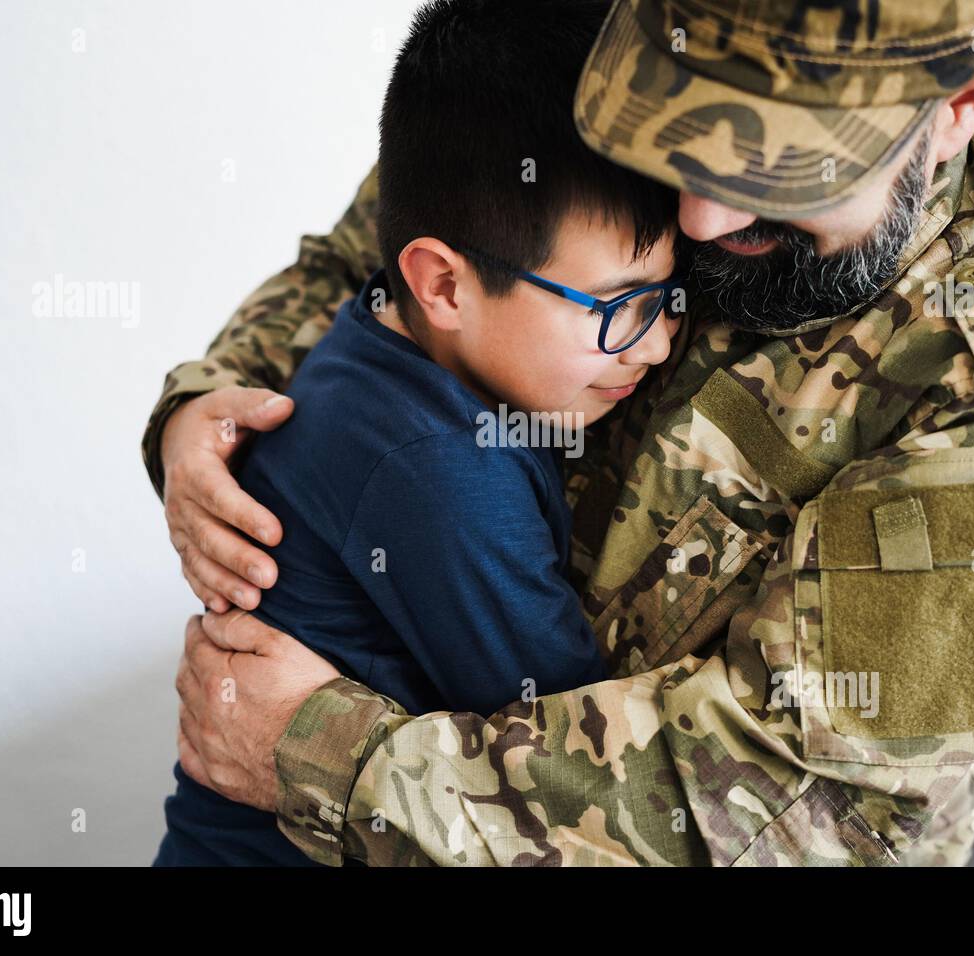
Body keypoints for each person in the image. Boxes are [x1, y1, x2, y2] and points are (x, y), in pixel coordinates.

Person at [153, 0, 974, 865]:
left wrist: (327, 755)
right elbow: (382, 256)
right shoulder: (619, 40)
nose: (699, 217)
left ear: (958, 111)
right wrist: (209, 406)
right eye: (672, 137)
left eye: (773, 170)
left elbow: (790, 801)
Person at [152, 0, 684, 865]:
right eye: (623, 305)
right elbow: (571, 752)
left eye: (669, 296)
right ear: (441, 284)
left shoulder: (378, 338)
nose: (658, 343)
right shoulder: (440, 474)